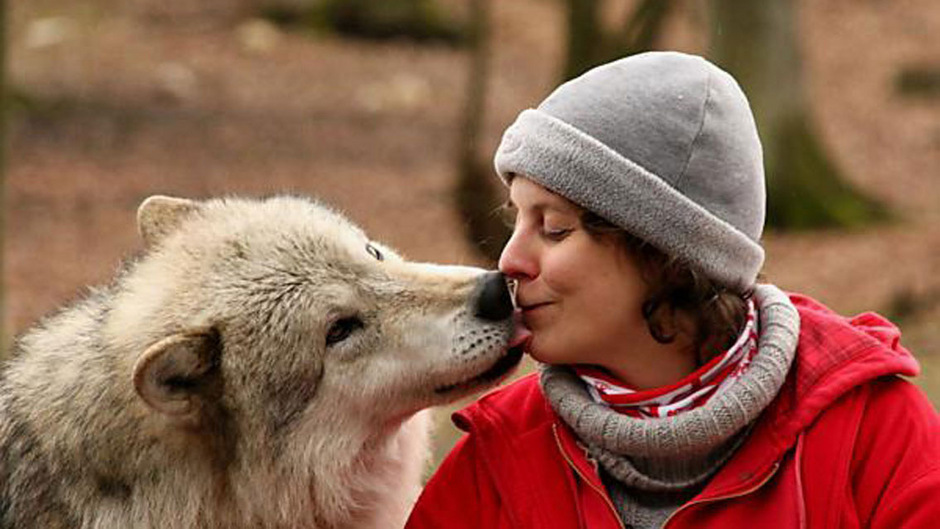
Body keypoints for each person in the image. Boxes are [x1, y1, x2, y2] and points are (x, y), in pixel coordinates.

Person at [405, 51, 940, 529]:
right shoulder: (499, 457)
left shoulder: (874, 436)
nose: (509, 262)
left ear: (662, 252)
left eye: (555, 229)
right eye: (517, 220)